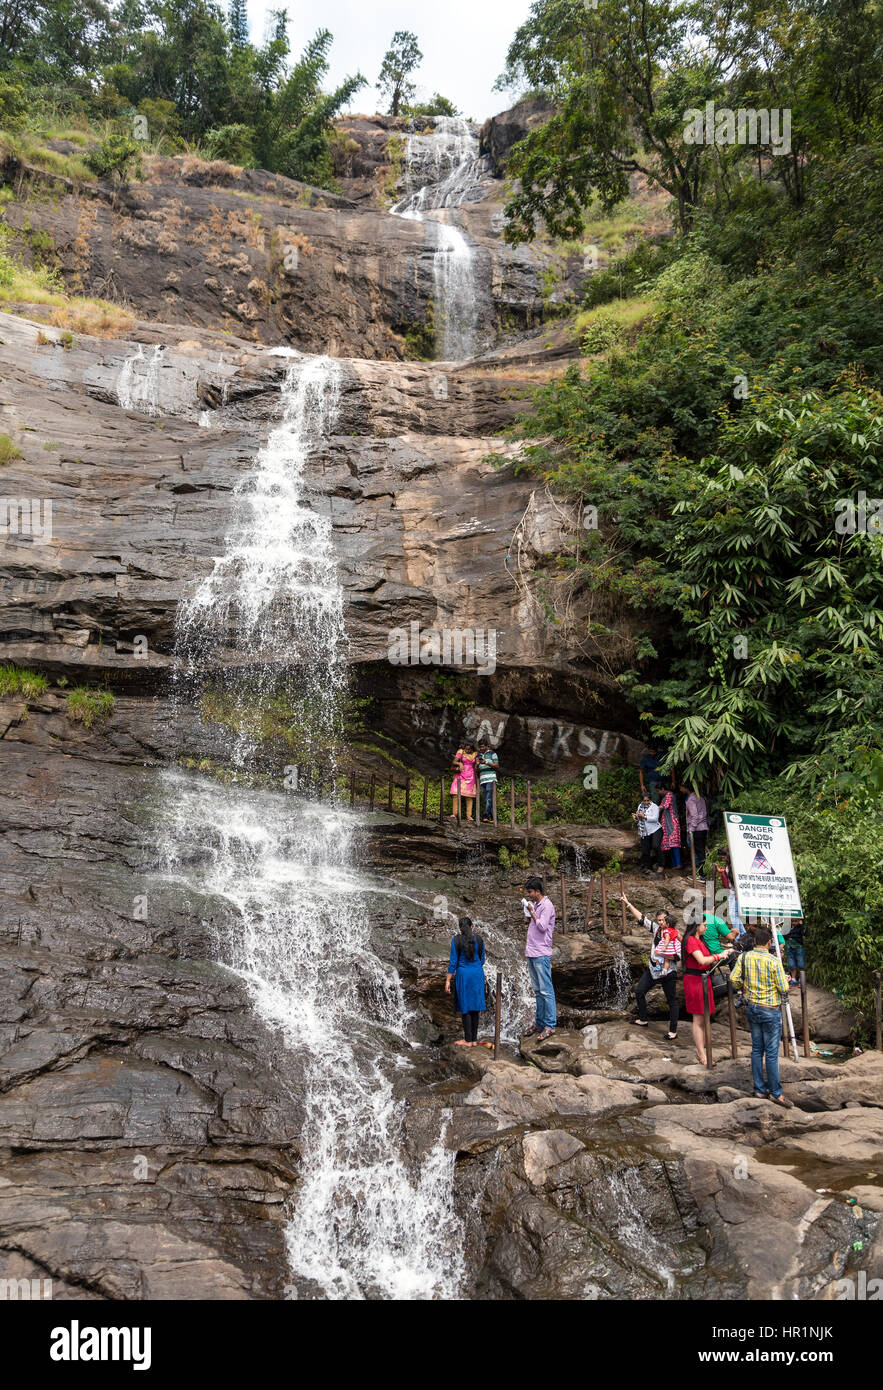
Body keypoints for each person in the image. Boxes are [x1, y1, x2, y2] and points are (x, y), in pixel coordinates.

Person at [729, 925, 792, 1106]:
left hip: (752, 1007)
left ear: (755, 941)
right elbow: (784, 988)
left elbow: (733, 979)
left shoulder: (744, 957)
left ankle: (759, 1089)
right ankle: (775, 1093)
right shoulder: (773, 962)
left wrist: (743, 986)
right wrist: (785, 980)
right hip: (770, 1009)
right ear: (770, 942)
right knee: (771, 1053)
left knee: (757, 1049)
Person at [622, 894, 680, 1040]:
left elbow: (678, 956)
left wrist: (663, 955)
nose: (660, 922)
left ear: (668, 919)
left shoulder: (674, 935)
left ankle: (673, 1031)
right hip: (653, 969)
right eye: (659, 920)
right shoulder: (656, 929)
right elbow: (641, 918)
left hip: (668, 971)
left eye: (663, 920)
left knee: (671, 1000)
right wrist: (628, 904)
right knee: (640, 991)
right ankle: (643, 1019)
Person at [682, 916, 735, 1064]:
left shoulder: (700, 940)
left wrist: (723, 953)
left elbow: (708, 959)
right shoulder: (691, 940)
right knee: (698, 1019)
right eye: (704, 925)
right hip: (695, 981)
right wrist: (719, 955)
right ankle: (702, 1054)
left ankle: (704, 1051)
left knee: (704, 1018)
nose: (706, 927)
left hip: (703, 980)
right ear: (696, 925)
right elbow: (702, 960)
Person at [521, 876, 557, 1042]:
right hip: (532, 952)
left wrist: (533, 912)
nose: (528, 894)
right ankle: (540, 1023)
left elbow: (542, 926)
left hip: (541, 953)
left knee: (546, 991)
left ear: (537, 891)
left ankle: (550, 1025)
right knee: (538, 991)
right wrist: (529, 913)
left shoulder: (547, 906)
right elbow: (533, 923)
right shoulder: (536, 905)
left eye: (530, 892)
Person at [445, 916, 487, 1047]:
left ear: (459, 928)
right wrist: (474, 967)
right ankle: (473, 1039)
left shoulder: (456, 940)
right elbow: (482, 959)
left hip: (463, 975)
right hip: (477, 974)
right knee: (475, 1007)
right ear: (471, 926)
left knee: (465, 1006)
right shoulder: (479, 940)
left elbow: (453, 962)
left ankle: (468, 1040)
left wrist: (448, 980)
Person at [714, 849, 744, 936]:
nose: (723, 859)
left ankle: (738, 937)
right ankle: (743, 935)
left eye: (723, 857)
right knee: (735, 915)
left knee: (733, 915)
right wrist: (720, 870)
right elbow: (728, 873)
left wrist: (738, 893)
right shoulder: (729, 864)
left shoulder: (734, 865)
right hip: (732, 891)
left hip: (735, 892)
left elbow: (736, 878)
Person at [683, 787, 709, 878]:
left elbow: (694, 816)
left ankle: (701, 875)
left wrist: (691, 830)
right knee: (702, 851)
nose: (681, 789)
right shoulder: (700, 797)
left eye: (681, 787)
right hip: (704, 827)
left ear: (685, 788)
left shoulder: (691, 800)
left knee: (699, 853)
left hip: (697, 829)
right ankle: (703, 874)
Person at [633, 793, 662, 873]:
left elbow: (655, 819)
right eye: (644, 800)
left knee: (656, 846)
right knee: (645, 850)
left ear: (650, 800)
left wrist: (644, 817)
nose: (646, 802)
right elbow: (639, 818)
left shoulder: (655, 807)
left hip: (655, 829)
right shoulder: (640, 806)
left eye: (647, 800)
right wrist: (636, 817)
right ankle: (649, 868)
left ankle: (661, 865)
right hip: (644, 831)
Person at [450, 742, 478, 821]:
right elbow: (454, 762)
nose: (468, 750)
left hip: (471, 775)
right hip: (461, 774)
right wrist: (459, 763)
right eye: (466, 748)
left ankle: (469, 816)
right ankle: (454, 814)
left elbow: (476, 764)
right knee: (456, 794)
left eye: (469, 749)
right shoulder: (461, 752)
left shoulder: (475, 754)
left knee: (469, 797)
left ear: (472, 748)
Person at [659, 788, 682, 871]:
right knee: (669, 845)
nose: (658, 792)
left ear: (662, 789)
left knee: (674, 844)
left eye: (658, 790)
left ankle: (678, 864)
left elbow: (665, 806)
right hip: (666, 823)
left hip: (672, 823)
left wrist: (653, 809)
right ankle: (674, 865)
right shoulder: (664, 797)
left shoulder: (669, 794)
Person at [783, 916, 808, 987]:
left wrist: (802, 925)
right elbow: (783, 935)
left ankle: (801, 980)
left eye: (795, 921)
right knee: (791, 964)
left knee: (801, 963)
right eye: (792, 921)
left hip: (798, 947)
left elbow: (806, 934)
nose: (793, 923)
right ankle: (793, 979)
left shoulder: (800, 927)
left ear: (799, 920)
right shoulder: (787, 927)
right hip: (789, 947)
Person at [477, 742, 499, 820]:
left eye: (483, 746)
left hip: (491, 778)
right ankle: (494, 817)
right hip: (482, 779)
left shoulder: (492, 754)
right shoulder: (478, 755)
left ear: (486, 746)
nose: (481, 748)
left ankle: (485, 815)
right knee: (486, 799)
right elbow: (476, 769)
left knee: (489, 798)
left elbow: (496, 765)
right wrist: (477, 764)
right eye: (480, 747)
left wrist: (486, 762)